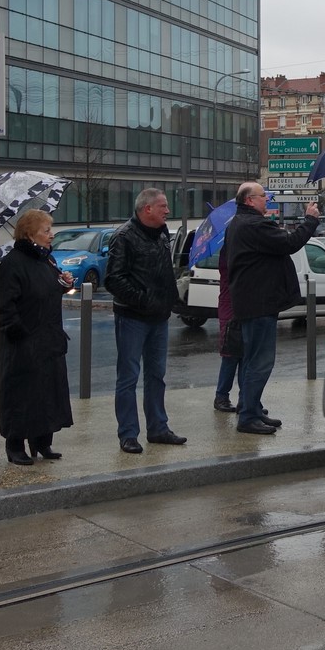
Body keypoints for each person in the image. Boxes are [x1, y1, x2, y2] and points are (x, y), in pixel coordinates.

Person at [221, 182, 320, 436]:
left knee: (253, 360)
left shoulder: (238, 223)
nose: (268, 200)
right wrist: (309, 220)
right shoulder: (254, 225)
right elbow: (289, 243)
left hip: (253, 302)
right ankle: (248, 416)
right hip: (259, 303)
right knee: (260, 362)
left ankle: (251, 409)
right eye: (264, 196)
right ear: (250, 201)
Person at [105, 188, 185, 453]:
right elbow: (114, 279)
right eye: (163, 206)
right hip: (132, 317)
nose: (168, 210)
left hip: (159, 317)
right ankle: (128, 434)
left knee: (157, 375)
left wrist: (171, 297)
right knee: (128, 377)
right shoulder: (124, 237)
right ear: (147, 209)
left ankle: (158, 428)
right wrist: (143, 299)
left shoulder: (162, 233)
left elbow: (163, 271)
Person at [0, 209, 75, 466]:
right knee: (22, 394)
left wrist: (63, 284)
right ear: (30, 234)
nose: (51, 235)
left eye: (50, 230)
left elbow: (47, 293)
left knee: (47, 392)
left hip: (49, 339)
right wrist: (19, 333)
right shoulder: (12, 264)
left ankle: (42, 442)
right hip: (24, 342)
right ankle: (15, 444)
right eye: (46, 230)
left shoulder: (46, 261)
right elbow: (5, 305)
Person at [212, 245, 239, 413]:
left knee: (242, 355)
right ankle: (221, 396)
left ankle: (246, 399)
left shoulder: (229, 250)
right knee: (230, 355)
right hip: (230, 309)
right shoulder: (229, 252)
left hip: (234, 307)